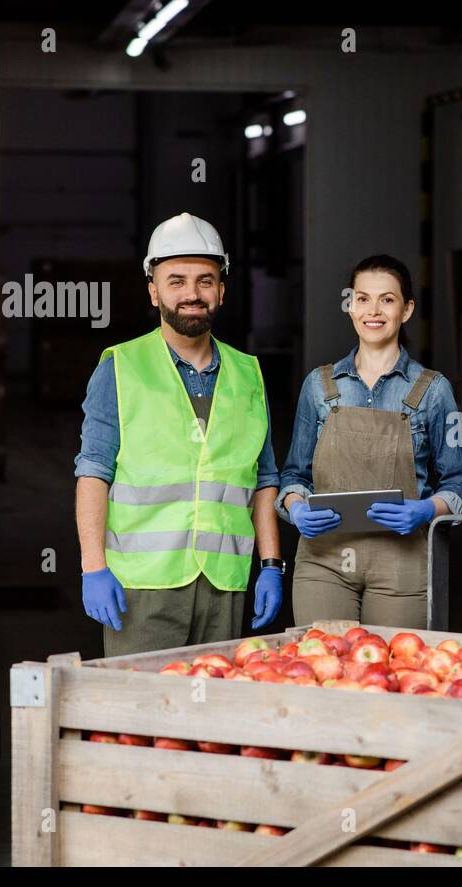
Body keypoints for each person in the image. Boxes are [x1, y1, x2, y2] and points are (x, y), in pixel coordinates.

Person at [74, 212, 284, 656]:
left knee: (211, 719)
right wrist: (92, 567)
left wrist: (271, 566)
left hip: (225, 584)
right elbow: (93, 473)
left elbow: (264, 479)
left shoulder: (249, 374)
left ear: (221, 290)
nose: (192, 293)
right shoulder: (120, 367)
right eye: (176, 281)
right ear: (153, 291)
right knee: (141, 718)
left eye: (205, 281)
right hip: (142, 588)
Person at [277, 254, 462, 627]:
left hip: (402, 562)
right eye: (363, 298)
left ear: (407, 309)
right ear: (350, 305)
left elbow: (459, 483)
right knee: (323, 671)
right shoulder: (319, 387)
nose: (374, 310)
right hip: (324, 560)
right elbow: (294, 475)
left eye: (387, 299)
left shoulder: (433, 391)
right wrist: (296, 508)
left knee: (393, 675)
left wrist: (426, 510)